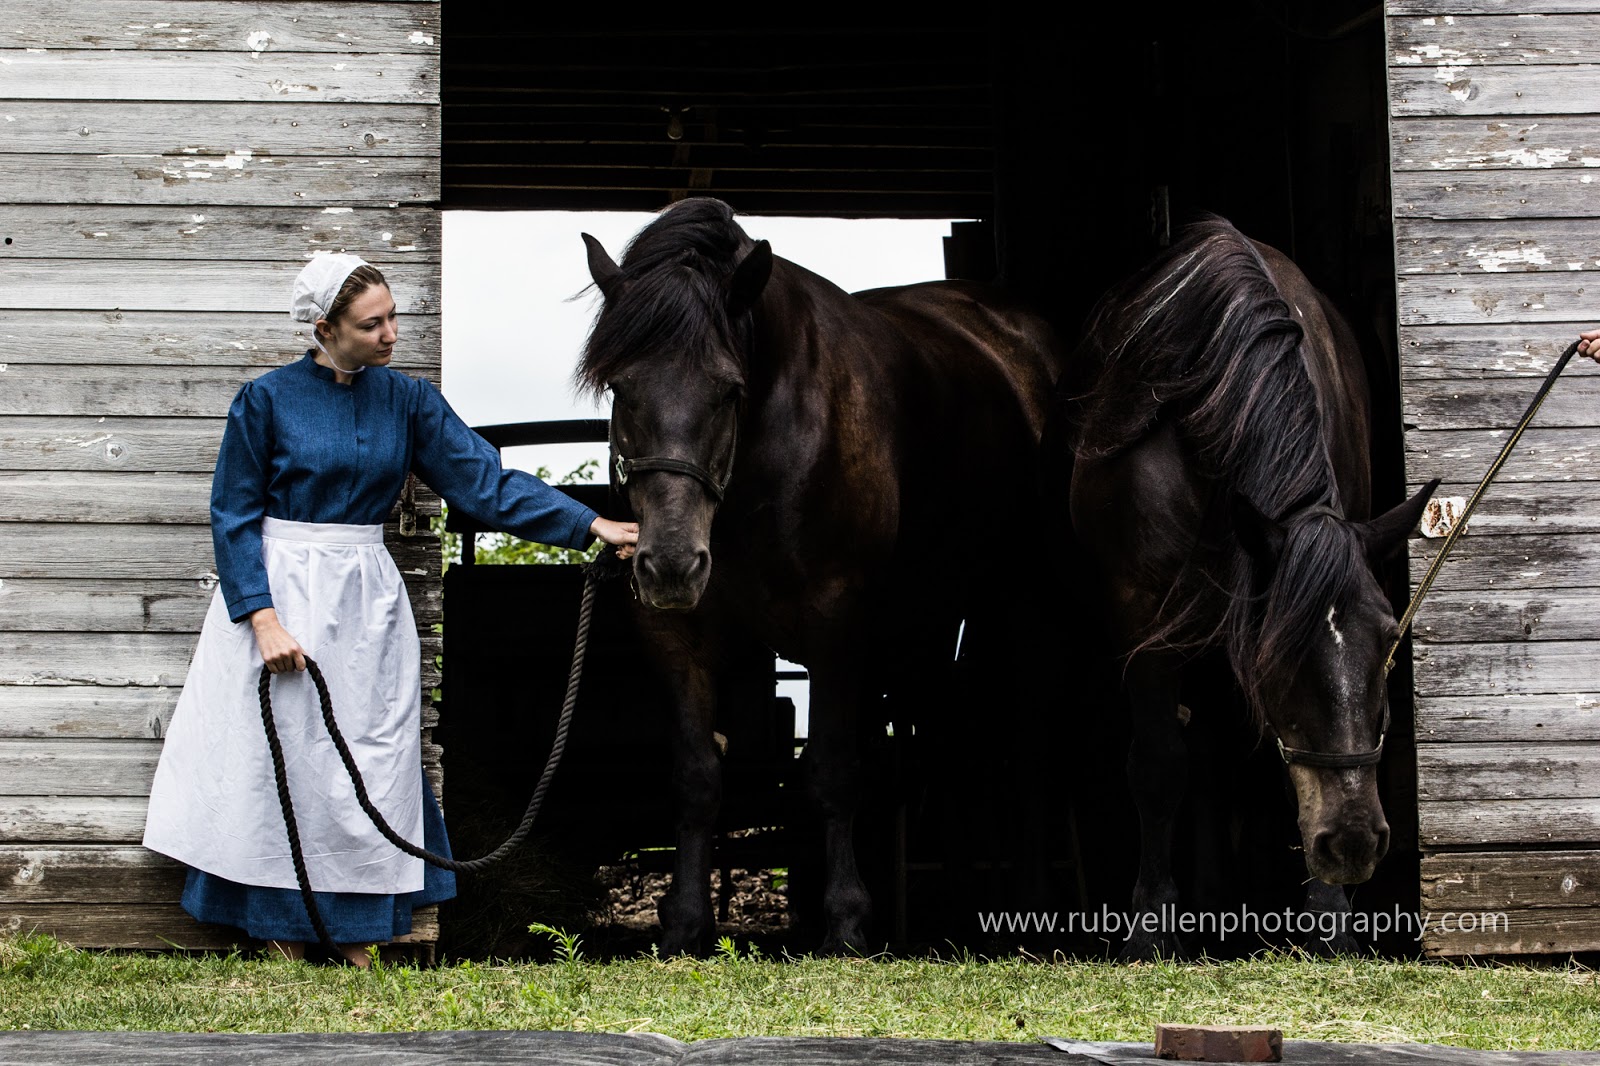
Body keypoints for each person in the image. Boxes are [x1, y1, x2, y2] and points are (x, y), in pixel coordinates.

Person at [142, 254, 637, 967]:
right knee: (278, 763)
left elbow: (486, 484)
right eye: (371, 324)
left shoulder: (408, 401)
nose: (391, 334)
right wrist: (262, 618)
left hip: (365, 600)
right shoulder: (266, 400)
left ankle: (357, 935)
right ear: (325, 328)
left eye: (393, 317)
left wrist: (590, 524)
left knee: (368, 761)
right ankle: (280, 932)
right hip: (281, 593)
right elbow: (233, 516)